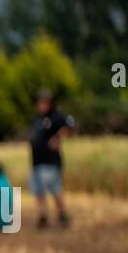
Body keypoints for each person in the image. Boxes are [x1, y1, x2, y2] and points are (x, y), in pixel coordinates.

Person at [29, 89, 76, 228]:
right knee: (39, 190)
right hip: (36, 161)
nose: (40, 105)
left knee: (54, 188)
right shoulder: (37, 118)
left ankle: (62, 214)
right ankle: (42, 215)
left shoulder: (56, 117)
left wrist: (58, 138)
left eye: (43, 102)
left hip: (50, 161)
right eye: (39, 102)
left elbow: (70, 124)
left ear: (50, 104)